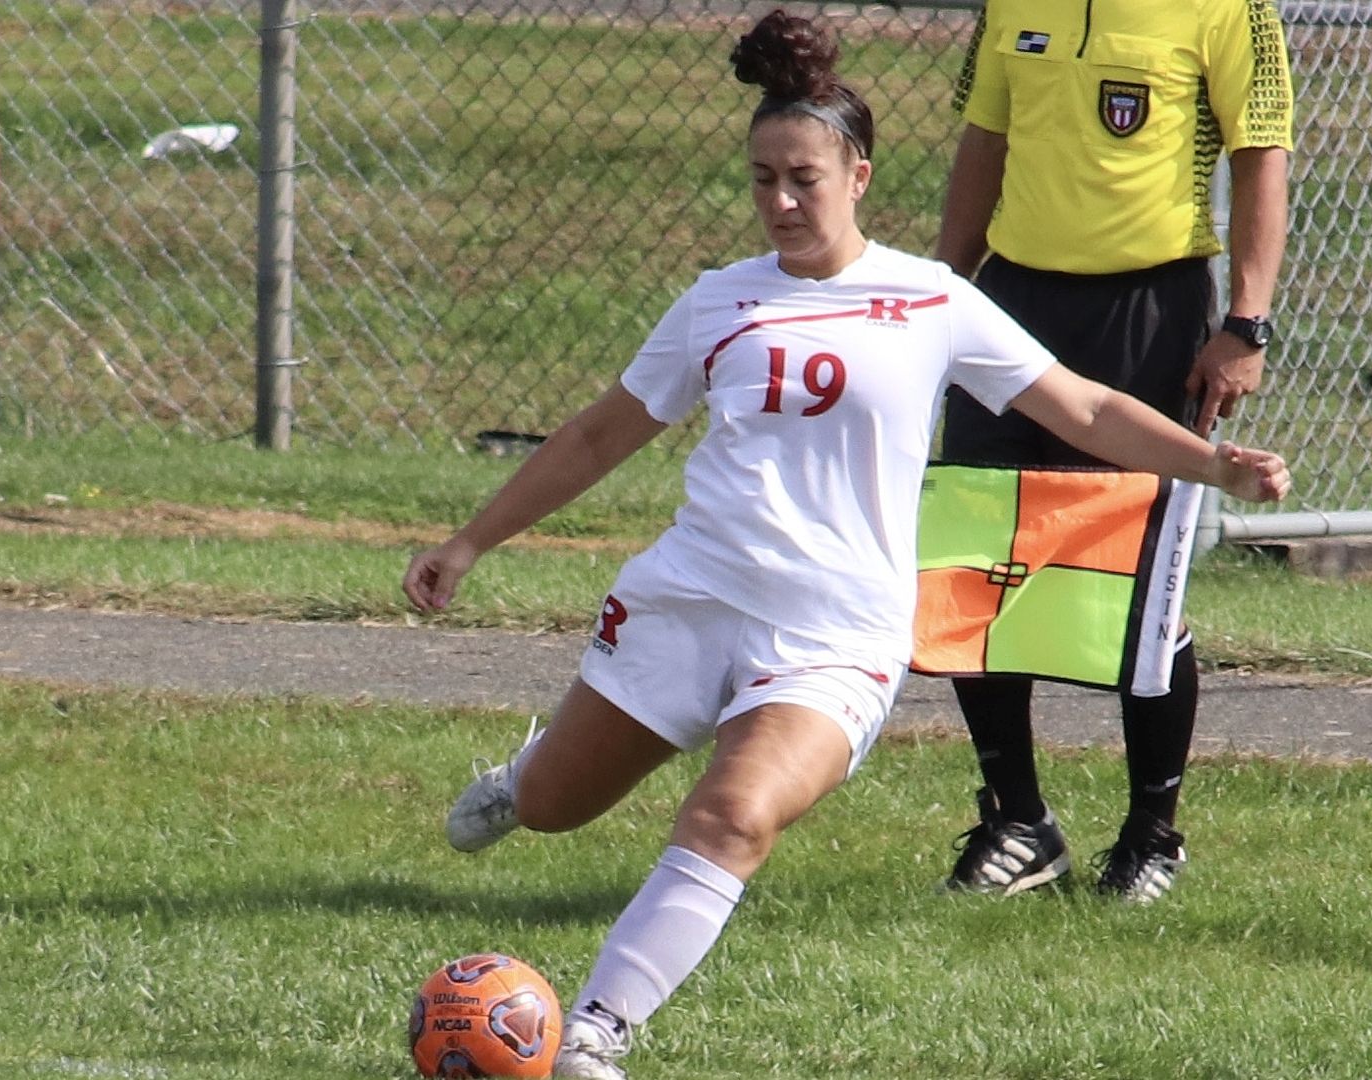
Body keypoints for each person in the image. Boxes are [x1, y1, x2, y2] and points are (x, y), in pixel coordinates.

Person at [402, 11, 1289, 1077]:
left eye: (804, 178)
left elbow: (1087, 409)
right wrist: (470, 542)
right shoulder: (718, 301)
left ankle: (597, 1031)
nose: (780, 201)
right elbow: (600, 433)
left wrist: (1213, 466)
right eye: (762, 178)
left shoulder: (930, 298)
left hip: (837, 630)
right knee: (553, 810)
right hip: (692, 598)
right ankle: (521, 778)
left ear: (858, 175)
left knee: (734, 813)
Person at [931, 0, 1294, 902]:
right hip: (1013, 304)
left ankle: (1152, 835)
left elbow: (1261, 159)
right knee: (979, 564)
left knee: (1141, 576)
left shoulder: (1231, 11)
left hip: (1151, 311)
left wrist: (1245, 322)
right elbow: (985, 139)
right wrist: (940, 291)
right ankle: (1018, 819)